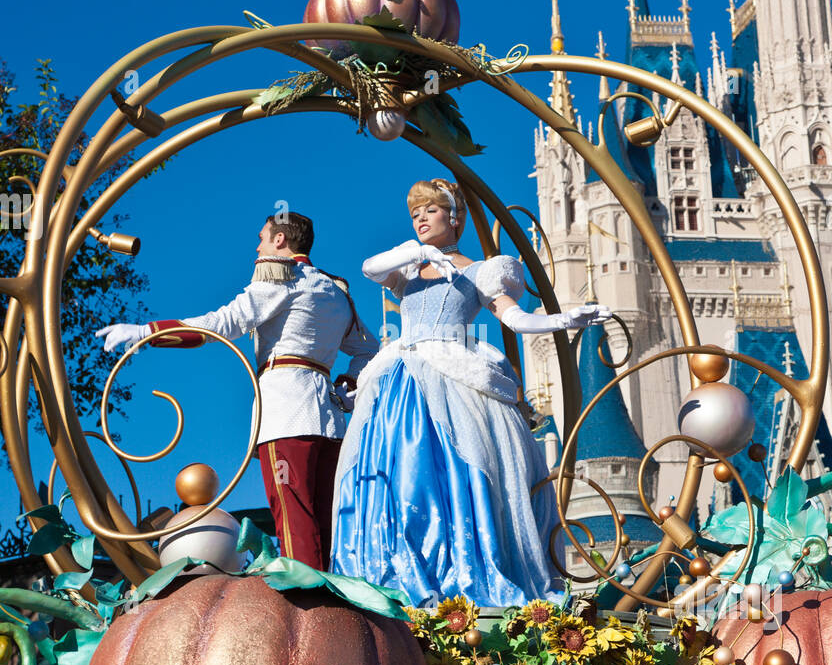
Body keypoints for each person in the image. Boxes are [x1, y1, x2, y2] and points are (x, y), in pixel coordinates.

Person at [330, 178, 611, 608]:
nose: (420, 218)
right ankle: (390, 569)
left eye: (430, 209)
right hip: (400, 375)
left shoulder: (482, 271)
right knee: (394, 473)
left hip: (454, 374)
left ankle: (462, 569)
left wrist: (566, 320)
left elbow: (516, 320)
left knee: (458, 472)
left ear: (454, 215)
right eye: (415, 213)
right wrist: (420, 251)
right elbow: (370, 267)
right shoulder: (407, 269)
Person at [95, 212, 377, 569]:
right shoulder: (335, 290)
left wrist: (146, 331)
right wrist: (346, 388)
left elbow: (223, 323)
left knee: (294, 521)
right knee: (327, 521)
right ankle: (336, 613)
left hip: (286, 412)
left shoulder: (280, 276)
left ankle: (308, 610)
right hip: (331, 418)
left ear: (280, 241)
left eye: (262, 237)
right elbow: (369, 350)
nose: (257, 246)